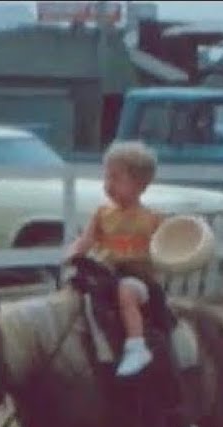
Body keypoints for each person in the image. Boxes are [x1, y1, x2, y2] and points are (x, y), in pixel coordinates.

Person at [64, 140, 165, 377]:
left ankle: (136, 346)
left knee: (127, 291)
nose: (108, 185)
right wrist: (73, 253)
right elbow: (86, 241)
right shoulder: (102, 214)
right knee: (77, 288)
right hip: (106, 275)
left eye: (116, 179)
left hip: (138, 280)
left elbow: (164, 249)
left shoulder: (151, 219)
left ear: (140, 184)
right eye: (106, 178)